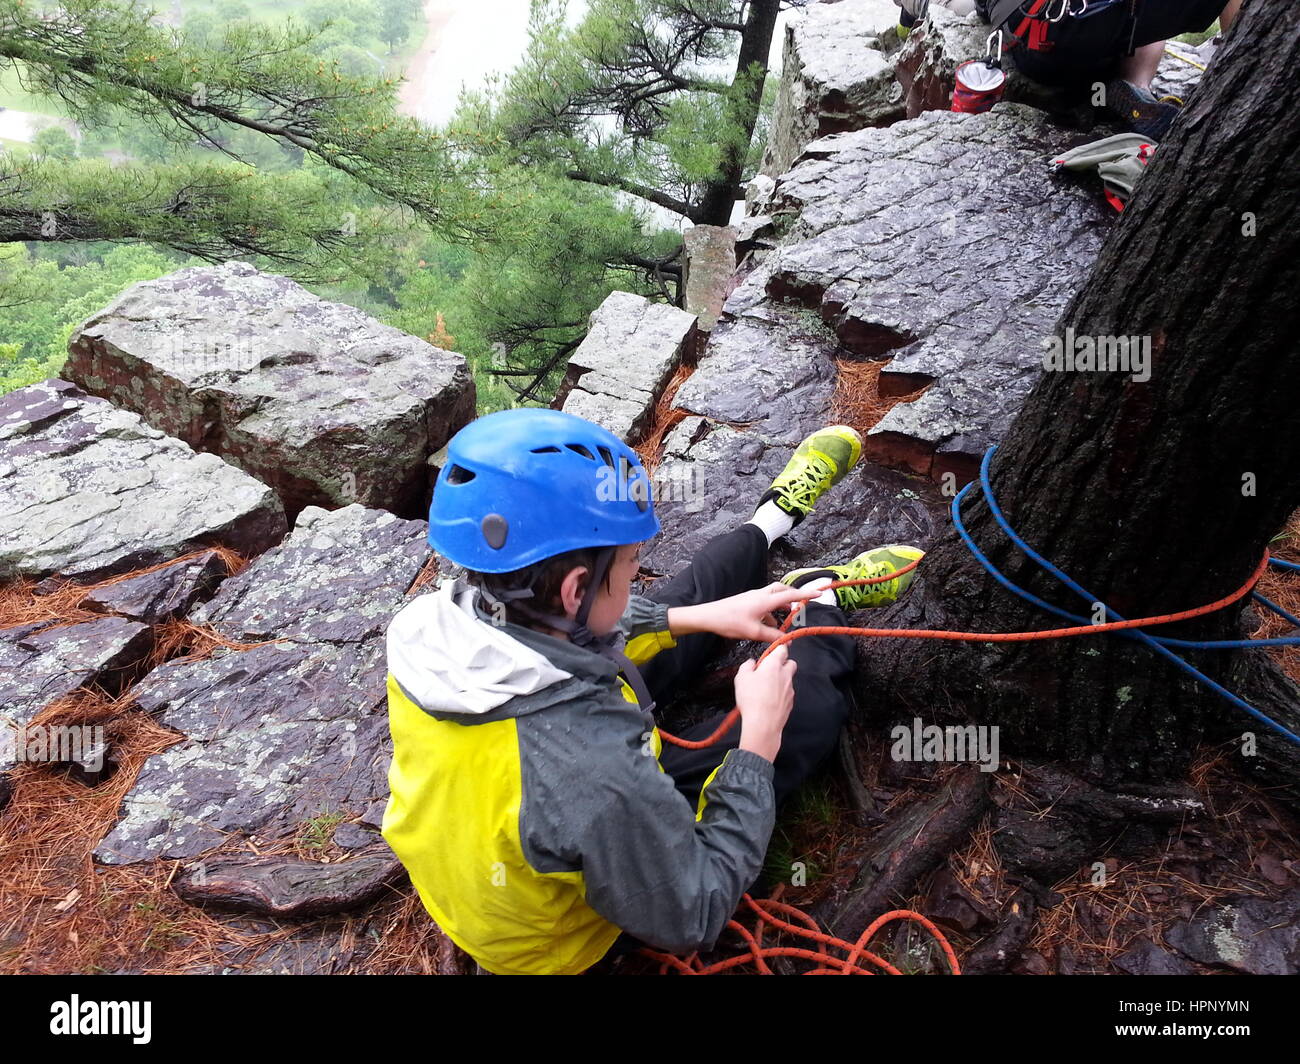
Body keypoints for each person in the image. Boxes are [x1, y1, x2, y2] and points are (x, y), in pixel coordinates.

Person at [380, 407, 924, 975]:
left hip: (520, 853)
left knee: (692, 597)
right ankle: (821, 600)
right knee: (802, 707)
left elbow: (599, 624)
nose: (638, 570)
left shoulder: (429, 631)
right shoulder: (593, 772)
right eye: (632, 563)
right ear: (575, 592)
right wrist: (758, 744)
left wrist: (702, 616)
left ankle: (771, 520)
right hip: (565, 941)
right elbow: (697, 910)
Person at [974, 0, 1241, 138]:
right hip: (1058, 33)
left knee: (1131, 13)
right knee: (1137, 16)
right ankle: (1138, 83)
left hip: (1040, 43)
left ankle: (1133, 88)